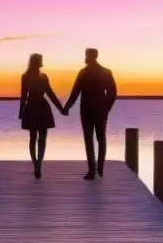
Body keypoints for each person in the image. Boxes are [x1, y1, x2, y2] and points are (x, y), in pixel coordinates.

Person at [63, 48, 117, 180]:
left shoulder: (84, 73)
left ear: (91, 56)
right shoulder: (105, 72)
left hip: (90, 111)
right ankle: (99, 169)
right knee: (100, 139)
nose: (85, 58)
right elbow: (112, 92)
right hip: (97, 111)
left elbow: (75, 93)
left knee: (91, 140)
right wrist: (107, 107)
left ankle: (93, 170)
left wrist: (67, 107)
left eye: (86, 55)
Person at [18, 53, 65, 179]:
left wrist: (60, 108)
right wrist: (21, 111)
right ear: (37, 62)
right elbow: (23, 96)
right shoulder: (27, 77)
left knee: (37, 138)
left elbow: (50, 93)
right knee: (37, 138)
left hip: (37, 107)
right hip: (36, 107)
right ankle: (37, 165)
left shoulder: (39, 77)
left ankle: (38, 165)